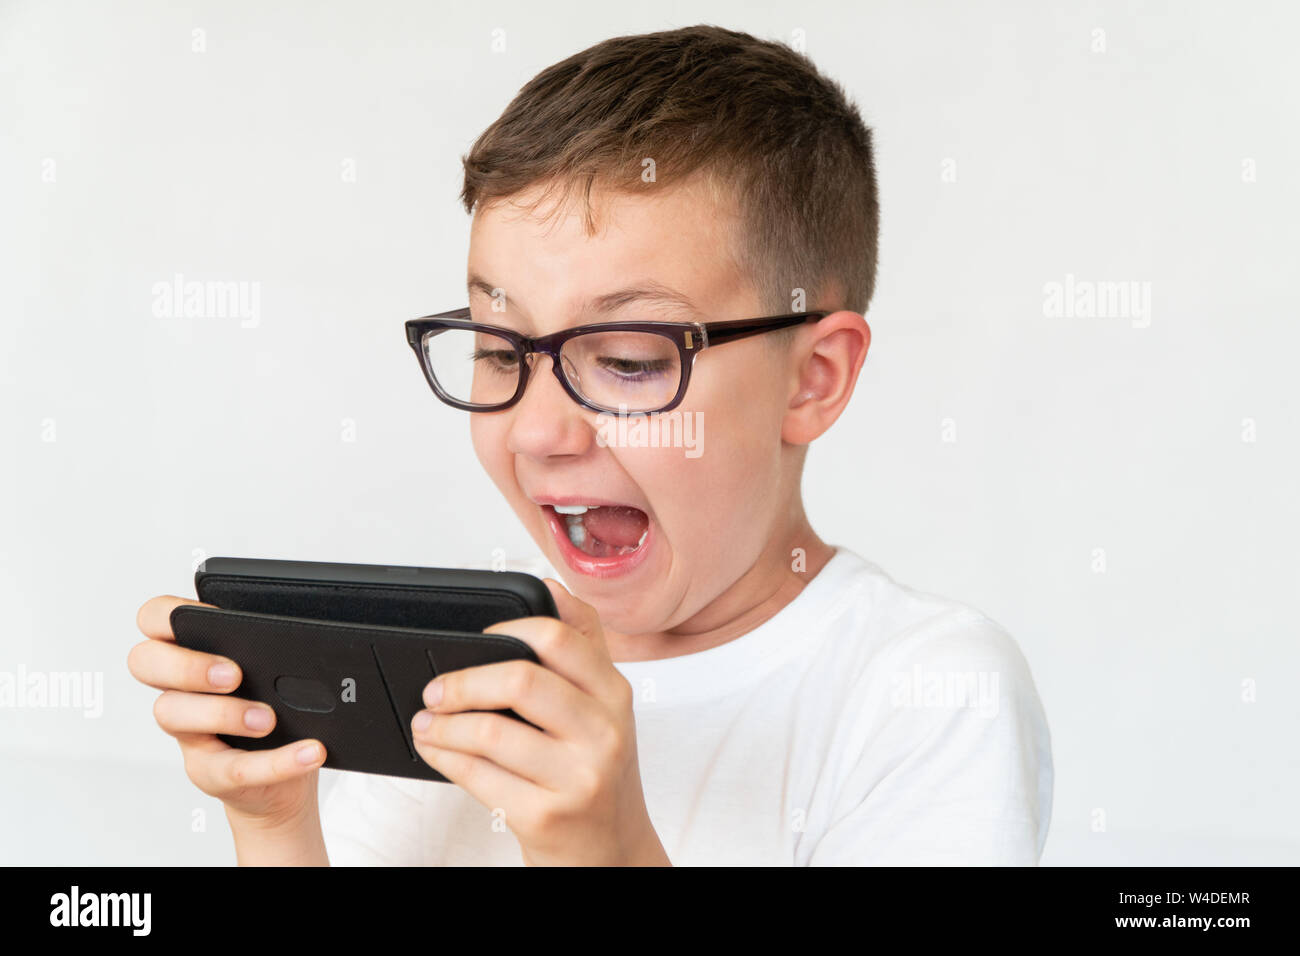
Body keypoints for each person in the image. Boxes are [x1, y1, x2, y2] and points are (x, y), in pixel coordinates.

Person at [129, 24, 1052, 866]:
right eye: (499, 350)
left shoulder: (923, 696)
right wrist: (275, 824)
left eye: (626, 360)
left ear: (812, 379)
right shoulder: (460, 670)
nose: (535, 430)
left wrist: (604, 852)